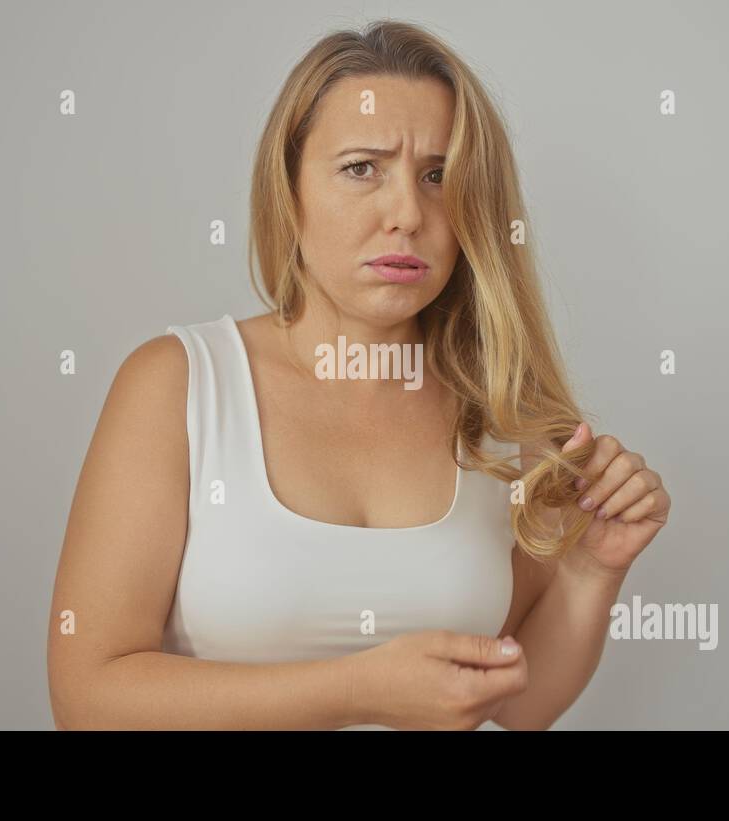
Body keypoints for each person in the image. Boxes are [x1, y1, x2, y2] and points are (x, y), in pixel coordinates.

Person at [46, 19, 671, 730]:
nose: (408, 213)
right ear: (290, 189)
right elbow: (87, 697)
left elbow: (519, 703)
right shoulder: (179, 385)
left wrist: (593, 569)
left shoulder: (506, 415)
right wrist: (357, 687)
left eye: (439, 176)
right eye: (361, 168)